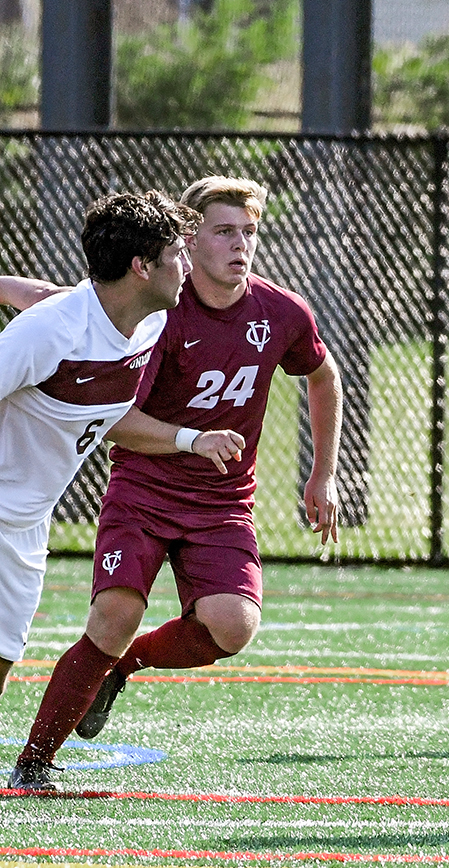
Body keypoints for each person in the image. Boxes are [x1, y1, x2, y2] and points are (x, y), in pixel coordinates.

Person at [9, 177, 343, 792]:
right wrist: (190, 439)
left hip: (222, 503)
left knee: (232, 626)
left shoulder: (282, 312)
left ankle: (125, 665)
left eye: (248, 232)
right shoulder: (158, 309)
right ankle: (34, 764)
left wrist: (322, 472)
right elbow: (116, 418)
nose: (239, 245)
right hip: (144, 490)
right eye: (222, 232)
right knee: (114, 616)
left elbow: (322, 377)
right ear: (190, 240)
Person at [0, 191, 225, 701]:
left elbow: (108, 415)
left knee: (4, 653)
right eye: (176, 255)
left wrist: (190, 440)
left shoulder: (147, 322)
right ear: (141, 267)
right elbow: (49, 315)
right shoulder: (51, 330)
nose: (187, 266)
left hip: (27, 522)